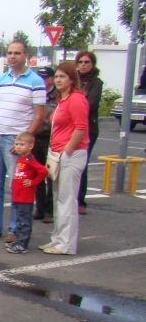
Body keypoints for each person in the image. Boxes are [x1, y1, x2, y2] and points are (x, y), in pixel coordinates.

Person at [0, 40, 46, 242]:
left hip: (15, 140)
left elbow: (39, 115)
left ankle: (15, 229)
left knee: (16, 186)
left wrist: (25, 140)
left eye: (17, 53)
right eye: (9, 53)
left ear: (25, 55)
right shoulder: (2, 79)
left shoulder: (35, 81)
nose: (12, 56)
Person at [42, 61, 89, 255]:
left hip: (70, 154)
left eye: (63, 76)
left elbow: (80, 128)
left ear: (71, 79)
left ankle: (66, 244)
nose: (59, 80)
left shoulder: (77, 99)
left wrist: (66, 152)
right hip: (56, 153)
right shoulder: (63, 99)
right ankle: (57, 239)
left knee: (67, 200)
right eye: (57, 76)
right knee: (58, 198)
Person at [6, 132, 48, 254]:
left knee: (24, 221)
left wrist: (33, 182)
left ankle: (22, 244)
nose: (18, 147)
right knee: (19, 220)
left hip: (25, 197)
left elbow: (43, 171)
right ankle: (18, 241)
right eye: (17, 144)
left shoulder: (30, 160)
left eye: (22, 144)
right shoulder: (21, 159)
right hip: (18, 196)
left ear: (30, 146)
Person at [74, 50, 103, 215]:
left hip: (88, 128)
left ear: (92, 64)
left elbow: (90, 104)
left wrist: (75, 105)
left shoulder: (96, 83)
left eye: (87, 62)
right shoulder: (72, 80)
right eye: (81, 62)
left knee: (81, 164)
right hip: (70, 127)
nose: (83, 65)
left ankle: (80, 200)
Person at [32, 67, 57, 223]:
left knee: (51, 175)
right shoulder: (35, 93)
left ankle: (50, 209)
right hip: (36, 135)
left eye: (46, 77)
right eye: (40, 77)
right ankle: (40, 207)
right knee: (37, 173)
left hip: (51, 137)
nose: (43, 81)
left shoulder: (58, 95)